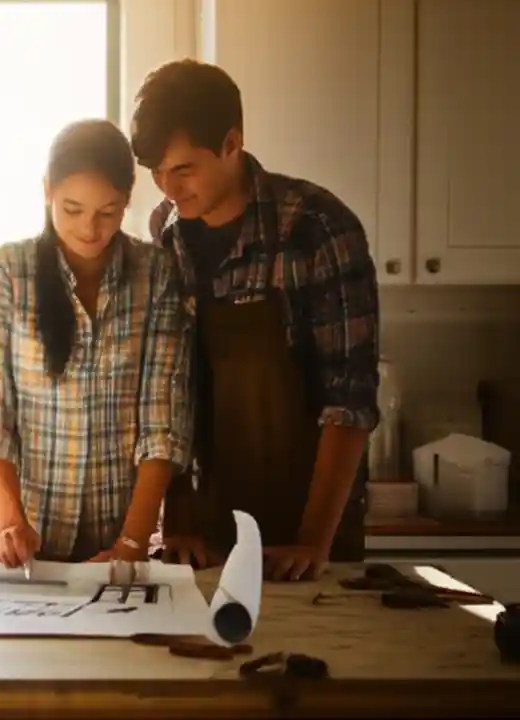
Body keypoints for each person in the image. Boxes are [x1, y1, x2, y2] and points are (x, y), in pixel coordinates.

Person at [130, 60, 380, 581]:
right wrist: (175, 520)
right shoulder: (166, 234)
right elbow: (169, 391)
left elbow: (349, 402)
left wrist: (312, 542)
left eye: (183, 169)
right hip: (204, 534)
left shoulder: (317, 229)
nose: (168, 189)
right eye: (156, 173)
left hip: (303, 532)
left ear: (231, 143)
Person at [0, 119, 194, 569]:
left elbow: (162, 423)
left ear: (127, 200)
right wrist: (11, 522)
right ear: (47, 191)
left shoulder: (155, 274)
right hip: (7, 535)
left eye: (107, 212)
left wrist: (132, 542)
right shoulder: (8, 271)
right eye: (71, 209)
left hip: (113, 540)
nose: (89, 228)